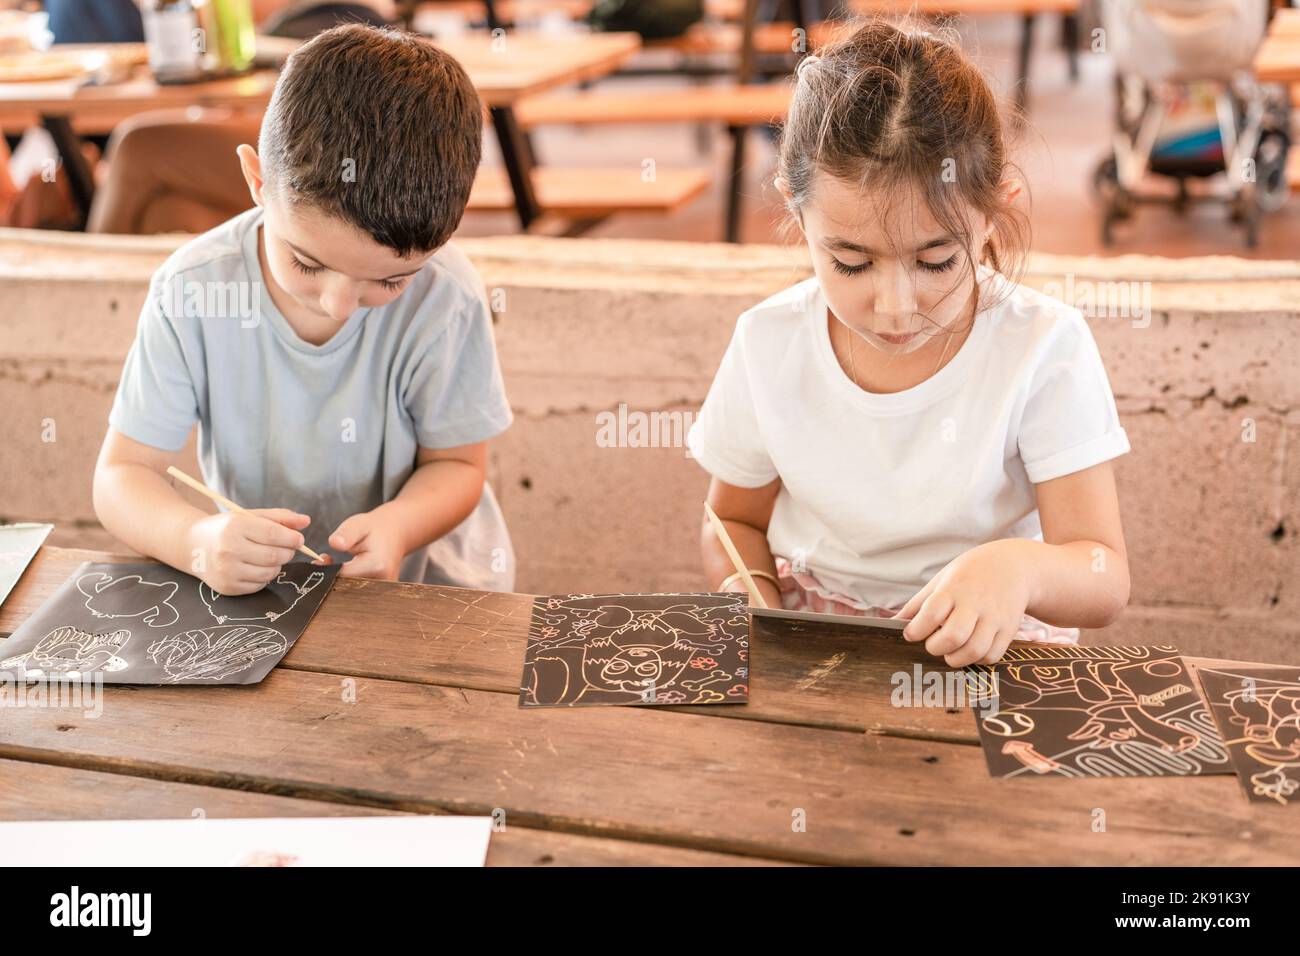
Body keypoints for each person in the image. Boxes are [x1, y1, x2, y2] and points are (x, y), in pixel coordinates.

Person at [688, 21, 1132, 666]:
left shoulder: (1042, 347)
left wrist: (1018, 571)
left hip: (987, 648)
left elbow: (1102, 573)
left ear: (993, 209)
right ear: (795, 208)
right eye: (849, 263)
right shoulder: (769, 342)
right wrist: (754, 604)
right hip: (817, 641)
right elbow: (733, 522)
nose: (895, 307)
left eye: (936, 261)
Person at [93, 25, 515, 595]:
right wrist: (197, 541)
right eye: (309, 264)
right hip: (264, 595)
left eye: (390, 281)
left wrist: (396, 527)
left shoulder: (447, 295)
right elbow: (124, 474)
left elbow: (460, 466)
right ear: (257, 180)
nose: (340, 303)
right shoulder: (193, 289)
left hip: (424, 589)